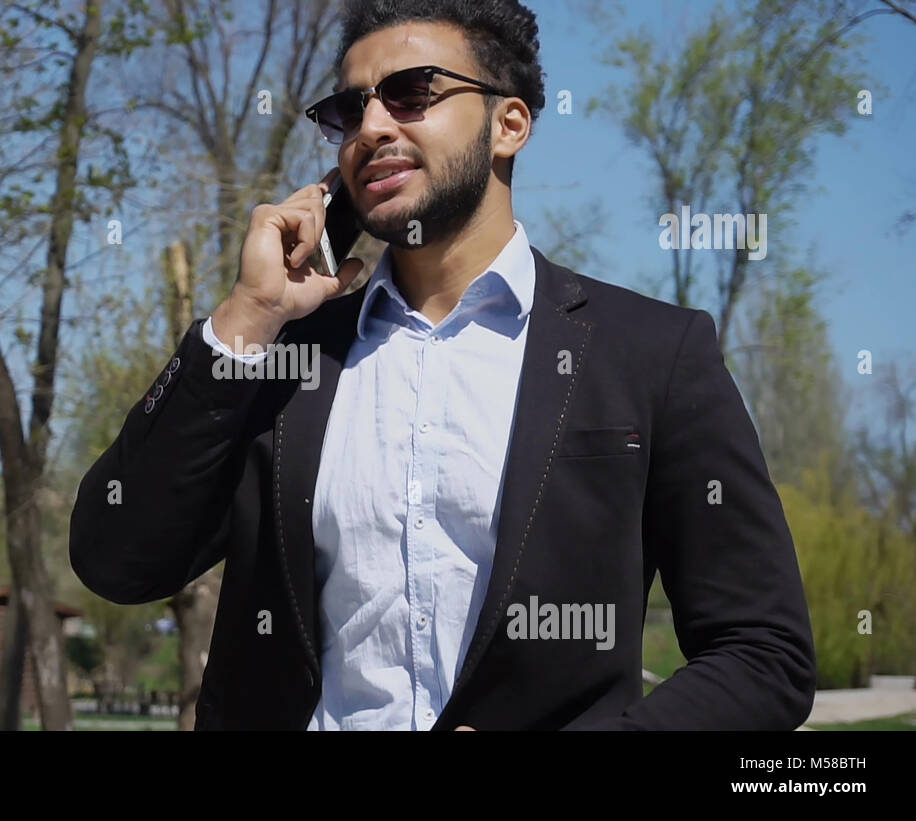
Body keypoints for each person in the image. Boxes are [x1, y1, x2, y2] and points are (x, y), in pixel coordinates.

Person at [69, 0, 816, 730]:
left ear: (509, 124)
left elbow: (762, 654)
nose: (370, 128)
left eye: (411, 93)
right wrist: (247, 316)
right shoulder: (286, 357)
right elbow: (116, 559)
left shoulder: (650, 353)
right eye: (349, 110)